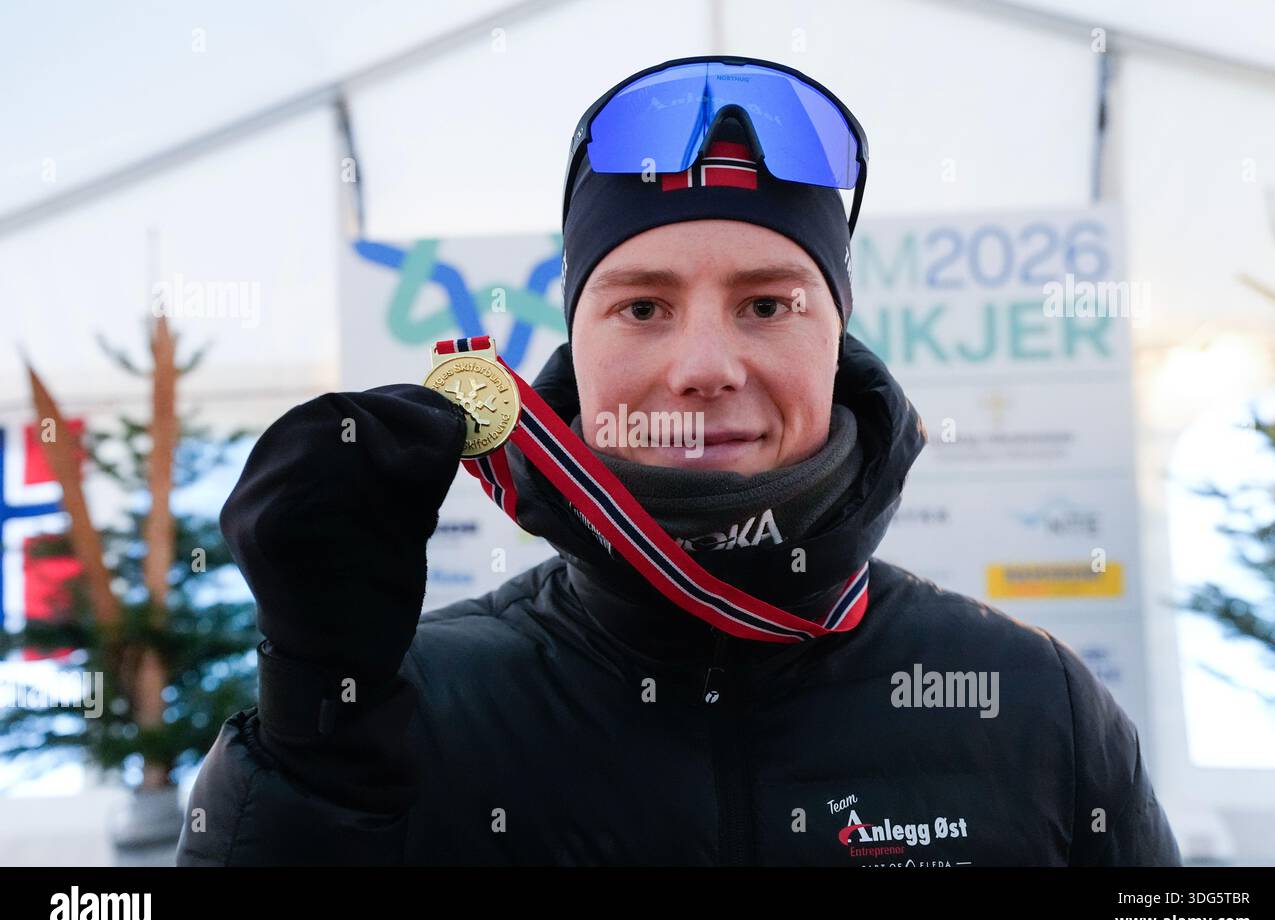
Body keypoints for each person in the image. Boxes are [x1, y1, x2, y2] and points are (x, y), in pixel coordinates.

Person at [177, 55, 1181, 866]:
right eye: (643, 305)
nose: (704, 367)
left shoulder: (1031, 698)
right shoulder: (412, 701)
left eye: (768, 302)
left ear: (838, 339)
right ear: (575, 347)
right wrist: (308, 741)